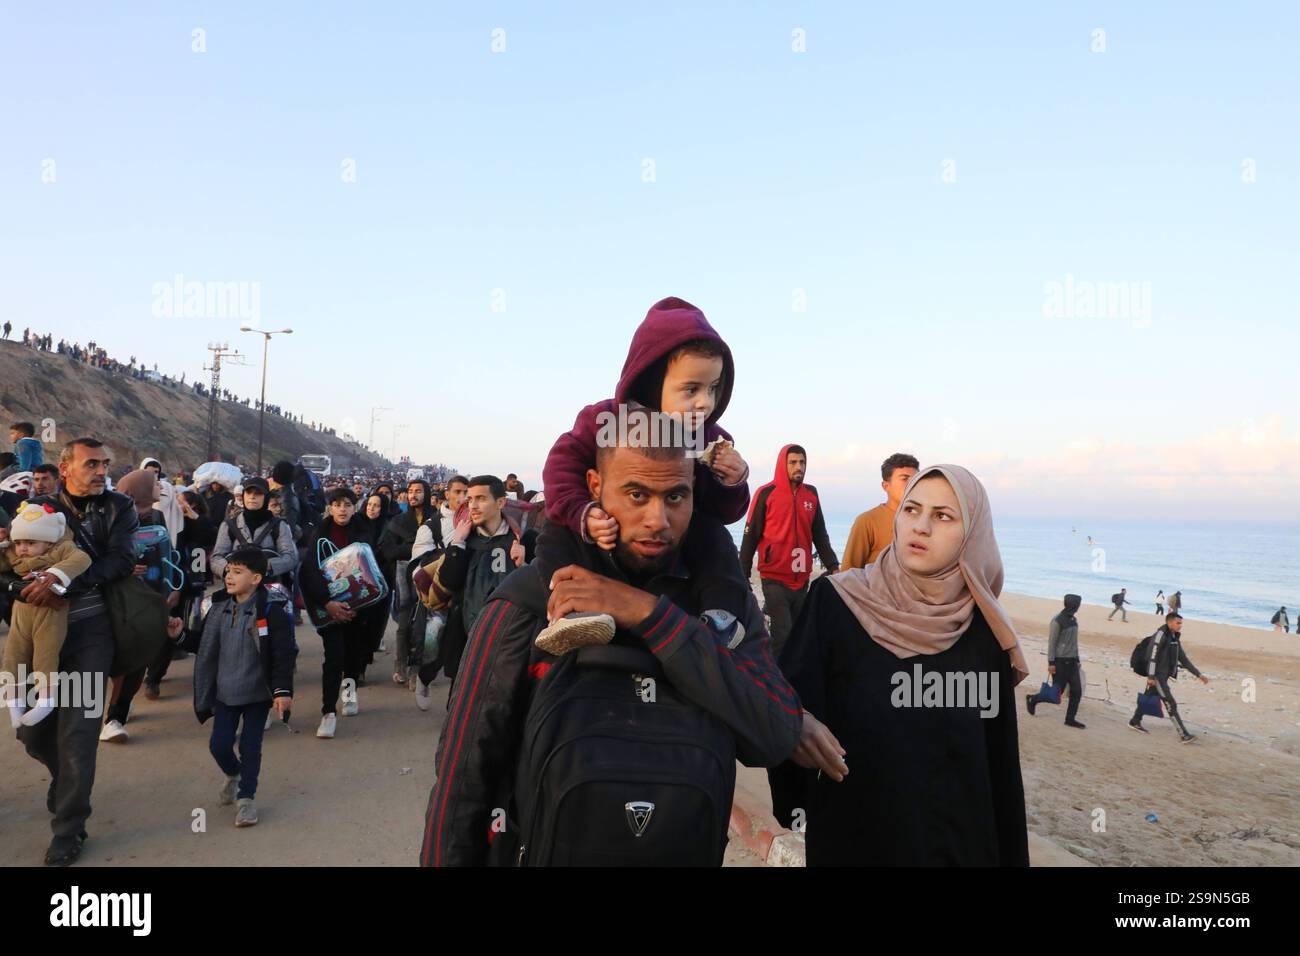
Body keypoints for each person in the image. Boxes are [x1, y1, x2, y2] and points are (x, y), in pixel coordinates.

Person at [418, 437, 801, 866]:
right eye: (636, 495)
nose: (657, 520)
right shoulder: (528, 600)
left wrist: (648, 615)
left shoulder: (722, 609)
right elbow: (463, 776)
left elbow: (773, 734)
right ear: (595, 486)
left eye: (676, 496)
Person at [768, 465, 1031, 866]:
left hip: (955, 846)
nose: (920, 527)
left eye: (943, 516)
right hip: (854, 841)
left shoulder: (983, 633)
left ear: (972, 534)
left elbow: (999, 768)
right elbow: (787, 715)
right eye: (911, 510)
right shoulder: (837, 604)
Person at [537, 297, 751, 654]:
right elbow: (562, 465)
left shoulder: (709, 437)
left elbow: (721, 511)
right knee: (554, 531)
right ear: (653, 381)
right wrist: (582, 512)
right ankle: (568, 611)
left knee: (714, 539)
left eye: (713, 388)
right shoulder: (606, 421)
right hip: (603, 534)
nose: (705, 402)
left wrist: (732, 482)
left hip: (676, 542)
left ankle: (721, 617)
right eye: (691, 389)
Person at [20, 437, 137, 866]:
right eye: (92, 464)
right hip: (37, 631)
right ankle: (64, 780)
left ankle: (69, 829)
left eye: (106, 463)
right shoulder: (39, 508)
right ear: (65, 468)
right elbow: (18, 561)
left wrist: (65, 581)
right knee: (31, 730)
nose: (102, 471)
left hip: (91, 631)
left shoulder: (118, 507)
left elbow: (122, 560)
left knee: (79, 736)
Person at [191, 548, 297, 828]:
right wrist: (178, 635)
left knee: (251, 747)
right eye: (228, 570)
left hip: (257, 695)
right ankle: (233, 774)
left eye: (238, 572)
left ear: (256, 578)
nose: (229, 576)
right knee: (219, 745)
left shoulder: (271, 612)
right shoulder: (217, 608)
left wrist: (283, 691)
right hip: (225, 692)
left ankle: (246, 799)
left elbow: (284, 653)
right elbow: (201, 645)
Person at [412, 476, 528, 708]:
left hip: (508, 640)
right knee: (459, 704)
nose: (472, 505)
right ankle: (424, 676)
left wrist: (524, 567)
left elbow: (539, 593)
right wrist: (457, 545)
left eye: (481, 499)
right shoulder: (465, 539)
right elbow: (447, 583)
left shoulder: (524, 540)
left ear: (501, 503)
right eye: (470, 499)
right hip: (465, 635)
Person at [300, 488, 385, 738]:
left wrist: (361, 606)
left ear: (354, 506)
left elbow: (371, 569)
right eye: (337, 504)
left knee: (353, 657)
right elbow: (308, 572)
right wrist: (327, 603)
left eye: (347, 504)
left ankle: (349, 694)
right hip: (330, 610)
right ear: (330, 507)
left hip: (359, 609)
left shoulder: (364, 532)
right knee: (334, 658)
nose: (342, 509)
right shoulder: (319, 532)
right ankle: (328, 712)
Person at [739, 444, 840, 656]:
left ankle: (794, 678)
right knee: (782, 636)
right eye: (793, 462)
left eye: (802, 462)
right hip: (773, 577)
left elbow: (819, 534)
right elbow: (751, 536)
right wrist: (743, 573)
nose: (799, 467)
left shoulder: (811, 495)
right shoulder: (767, 493)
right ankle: (778, 682)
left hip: (802, 579)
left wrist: (833, 566)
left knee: (799, 634)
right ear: (782, 464)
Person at [0, 502, 93, 726]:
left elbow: (82, 559)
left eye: (31, 543)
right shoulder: (14, 551)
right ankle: (14, 705)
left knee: (46, 655)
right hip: (21, 611)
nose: (22, 548)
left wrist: (55, 573)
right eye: (19, 542)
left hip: (51, 611)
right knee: (13, 658)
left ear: (49, 540)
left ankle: (46, 699)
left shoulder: (62, 548)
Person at [99, 468, 174, 742]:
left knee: (138, 657)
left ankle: (116, 714)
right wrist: (123, 569)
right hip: (117, 599)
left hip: (150, 597)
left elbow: (166, 554)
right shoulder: (110, 520)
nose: (159, 486)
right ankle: (109, 715)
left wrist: (171, 588)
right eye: (153, 483)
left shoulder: (158, 517)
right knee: (116, 659)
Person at [378, 479, 439, 684]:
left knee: (426, 626)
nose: (413, 495)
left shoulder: (436, 520)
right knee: (404, 625)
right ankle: (400, 664)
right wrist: (413, 549)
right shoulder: (398, 521)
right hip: (403, 577)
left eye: (418, 491)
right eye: (411, 491)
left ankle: (418, 669)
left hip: (431, 577)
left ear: (427, 493)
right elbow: (387, 549)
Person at [1130, 612, 1208, 742]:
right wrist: (1151, 676)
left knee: (1148, 697)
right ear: (1169, 622)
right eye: (1178, 623)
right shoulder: (1161, 636)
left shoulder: (1174, 637)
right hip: (1157, 676)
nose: (1180, 626)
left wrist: (1198, 674)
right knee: (1170, 703)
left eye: (1181, 623)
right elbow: (1152, 657)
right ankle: (1183, 734)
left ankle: (1134, 721)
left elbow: (1182, 658)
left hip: (1163, 675)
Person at [209, 478, 298, 585]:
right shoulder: (228, 525)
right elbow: (216, 558)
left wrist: (267, 565)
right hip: (236, 589)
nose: (252, 496)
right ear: (243, 496)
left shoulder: (279, 525)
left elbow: (291, 557)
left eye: (258, 493)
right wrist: (232, 569)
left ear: (266, 498)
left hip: (269, 589)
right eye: (248, 492)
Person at [842, 453, 919, 569]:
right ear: (886, 486)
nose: (912, 483)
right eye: (904, 478)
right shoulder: (867, 521)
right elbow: (848, 573)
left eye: (916, 479)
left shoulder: (924, 521)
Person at [1025, 594, 1086, 728]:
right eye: (1077, 604)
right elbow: (1051, 643)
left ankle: (1070, 719)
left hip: (1072, 662)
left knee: (1077, 691)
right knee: (1056, 694)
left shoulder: (1073, 620)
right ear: (1072, 604)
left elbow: (1074, 643)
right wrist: (1051, 663)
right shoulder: (1057, 621)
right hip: (1060, 662)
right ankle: (1033, 699)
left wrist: (1077, 659)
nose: (1078, 606)